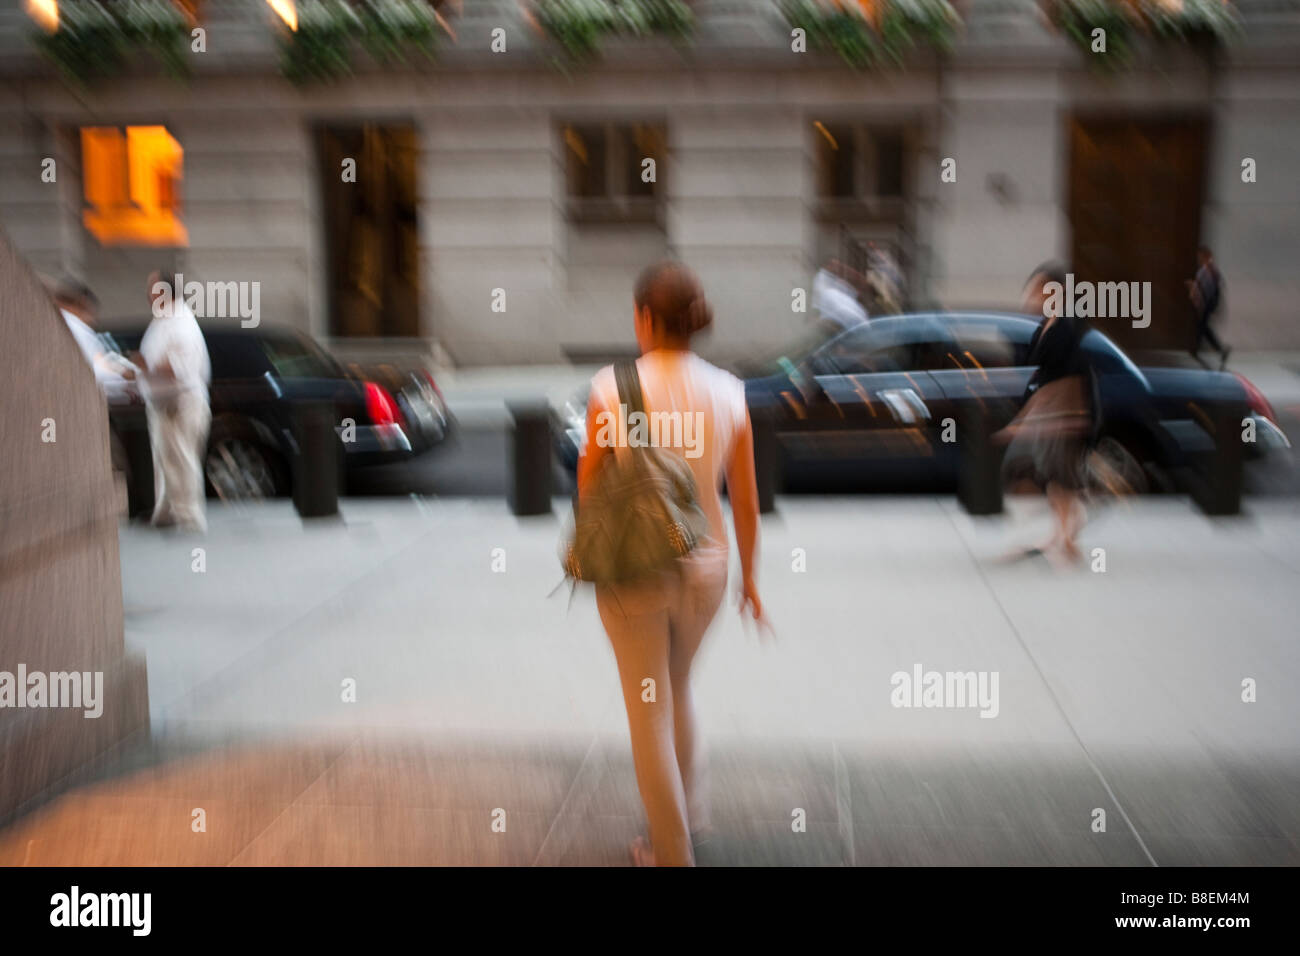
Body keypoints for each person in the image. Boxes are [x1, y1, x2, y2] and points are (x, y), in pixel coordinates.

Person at [577, 261, 766, 866]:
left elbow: (589, 484)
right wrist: (751, 582)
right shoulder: (730, 391)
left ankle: (671, 852)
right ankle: (693, 810)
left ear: (645, 319)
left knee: (648, 711)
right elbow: (748, 501)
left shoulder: (615, 388)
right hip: (707, 568)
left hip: (637, 569)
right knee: (676, 686)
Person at [997, 262, 1094, 566]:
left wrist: (1020, 422)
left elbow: (1060, 382)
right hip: (1054, 415)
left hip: (1064, 416)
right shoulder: (1046, 326)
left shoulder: (1065, 327)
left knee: (1057, 476)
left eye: (1036, 289)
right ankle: (1064, 535)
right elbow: (1040, 378)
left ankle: (1067, 536)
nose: (1030, 295)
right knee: (1056, 477)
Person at [138, 269, 211, 533]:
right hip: (166, 402)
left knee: (180, 459)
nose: (148, 294)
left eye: (152, 289)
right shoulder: (165, 319)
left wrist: (144, 367)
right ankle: (167, 512)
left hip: (179, 403)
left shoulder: (179, 321)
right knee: (168, 459)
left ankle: (190, 519)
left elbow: (179, 366)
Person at [52, 276, 139, 399]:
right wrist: (125, 377)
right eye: (92, 315)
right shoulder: (76, 327)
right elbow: (99, 376)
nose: (93, 321)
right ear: (82, 303)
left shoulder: (50, 321)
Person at [1188, 245, 1230, 370]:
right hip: (1208, 303)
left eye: (1201, 256)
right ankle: (1209, 349)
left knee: (1203, 328)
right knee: (1203, 328)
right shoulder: (1209, 270)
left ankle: (1218, 349)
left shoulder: (1208, 271)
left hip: (1207, 303)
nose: (1199, 258)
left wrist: (1198, 297)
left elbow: (1207, 289)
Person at [811, 258, 869, 331]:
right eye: (834, 265)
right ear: (828, 265)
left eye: (837, 265)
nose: (836, 268)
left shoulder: (832, 278)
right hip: (831, 318)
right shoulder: (822, 279)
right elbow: (825, 299)